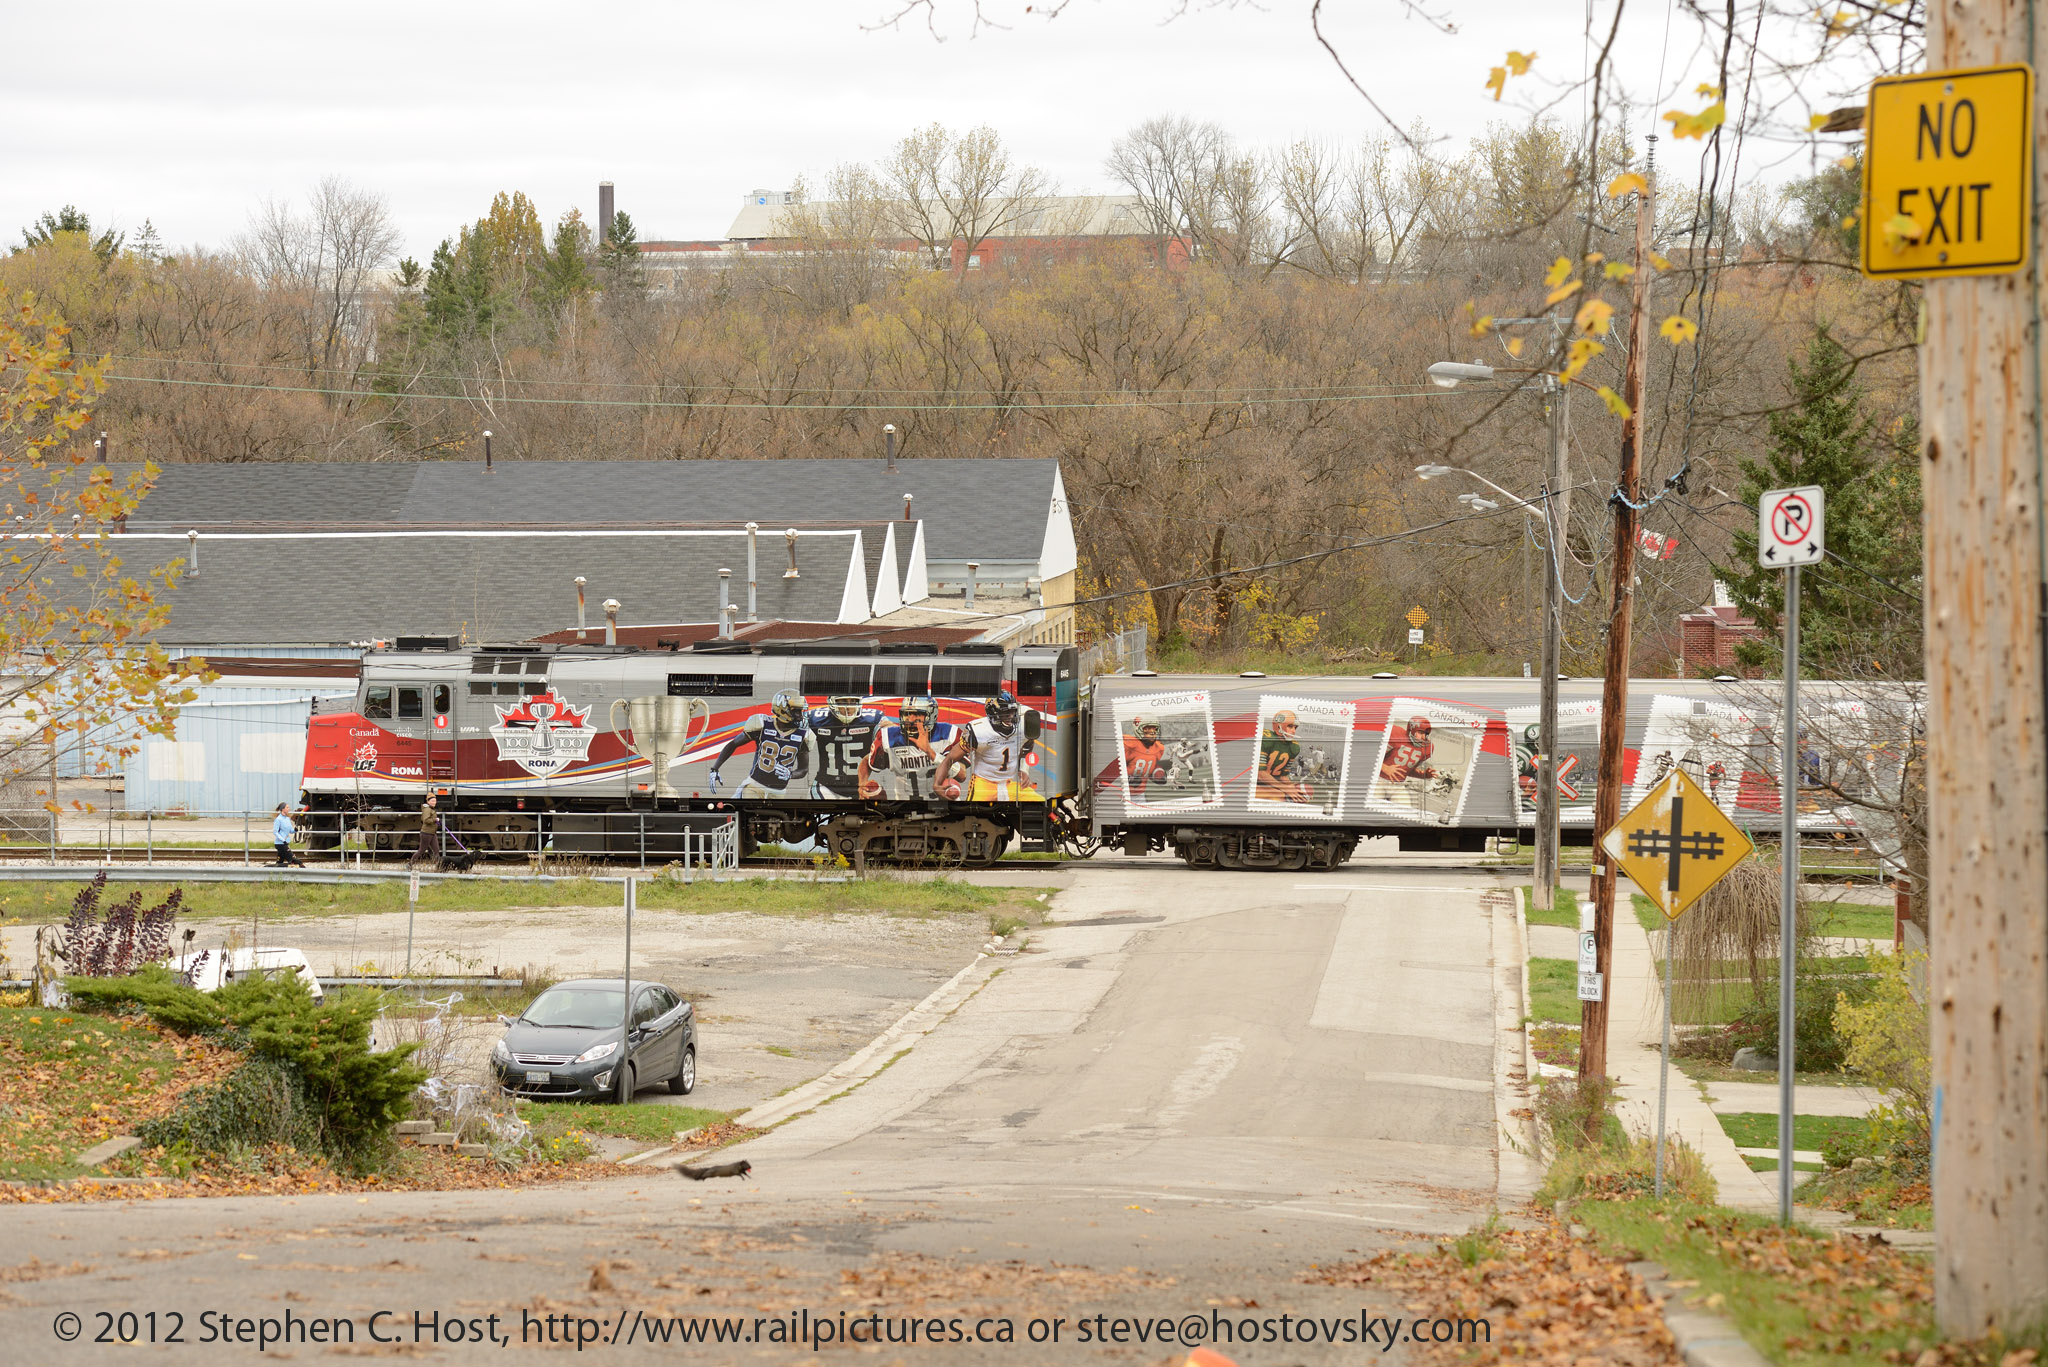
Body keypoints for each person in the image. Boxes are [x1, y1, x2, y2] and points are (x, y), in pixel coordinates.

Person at [411, 793, 442, 869]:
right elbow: (426, 820)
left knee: (436, 850)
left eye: (435, 801)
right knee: (422, 850)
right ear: (428, 801)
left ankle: (439, 866)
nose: (434, 802)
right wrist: (435, 820)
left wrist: (438, 822)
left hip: (432, 833)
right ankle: (410, 864)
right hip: (426, 833)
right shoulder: (427, 810)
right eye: (432, 801)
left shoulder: (430, 809)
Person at [271, 802, 306, 868]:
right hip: (280, 844)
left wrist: (294, 830)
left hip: (285, 843)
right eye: (287, 807)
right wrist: (282, 840)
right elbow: (275, 832)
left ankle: (276, 871)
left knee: (279, 862)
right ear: (282, 809)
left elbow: (290, 830)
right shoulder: (278, 820)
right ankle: (301, 866)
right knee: (292, 858)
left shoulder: (287, 819)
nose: (288, 809)